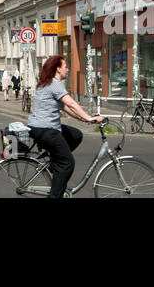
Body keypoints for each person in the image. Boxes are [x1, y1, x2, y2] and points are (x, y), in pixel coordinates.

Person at [27, 55, 105, 199]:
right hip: (45, 130)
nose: (68, 69)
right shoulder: (55, 84)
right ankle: (55, 195)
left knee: (76, 135)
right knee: (67, 163)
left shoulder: (46, 83)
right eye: (65, 66)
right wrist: (89, 117)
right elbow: (72, 104)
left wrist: (85, 119)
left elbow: (67, 108)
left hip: (39, 128)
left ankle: (54, 162)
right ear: (58, 69)